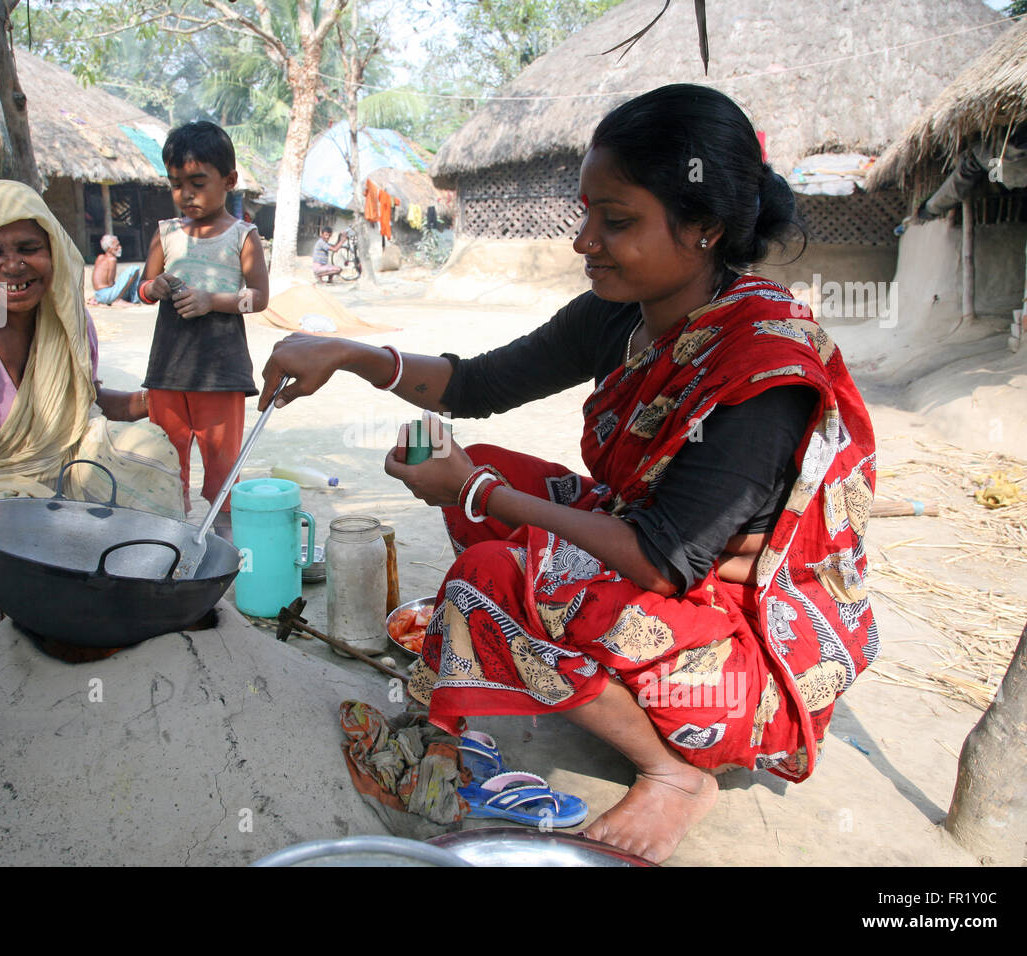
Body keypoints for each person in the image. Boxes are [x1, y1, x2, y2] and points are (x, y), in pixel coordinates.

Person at [256, 84, 877, 863]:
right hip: (667, 578)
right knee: (481, 481)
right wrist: (347, 354)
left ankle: (673, 772)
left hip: (739, 651)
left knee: (494, 569)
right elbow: (477, 384)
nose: (585, 240)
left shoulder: (760, 371)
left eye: (616, 222)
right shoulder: (626, 309)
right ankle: (582, 682)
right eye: (586, 214)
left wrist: (479, 493)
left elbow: (662, 557)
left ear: (707, 230)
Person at [0, 180, 175, 640]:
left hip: (58, 466)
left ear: (53, 250)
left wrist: (153, 402)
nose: (13, 266)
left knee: (145, 447)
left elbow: (86, 395)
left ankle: (152, 575)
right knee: (20, 572)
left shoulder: (65, 322)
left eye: (28, 248)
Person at [138, 121, 270, 536]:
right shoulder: (167, 234)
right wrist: (154, 287)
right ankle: (168, 540)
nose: (187, 194)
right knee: (165, 462)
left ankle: (222, 545)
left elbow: (258, 298)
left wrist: (214, 301)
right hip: (168, 372)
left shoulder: (242, 237)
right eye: (176, 184)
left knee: (222, 468)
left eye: (198, 182)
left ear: (229, 180)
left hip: (220, 374)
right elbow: (142, 288)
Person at [91, 234, 142, 305]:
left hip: (98, 295)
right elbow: (110, 283)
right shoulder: (112, 260)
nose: (120, 247)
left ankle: (131, 298)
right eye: (117, 246)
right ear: (109, 248)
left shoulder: (100, 257)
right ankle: (119, 299)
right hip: (106, 295)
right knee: (134, 269)